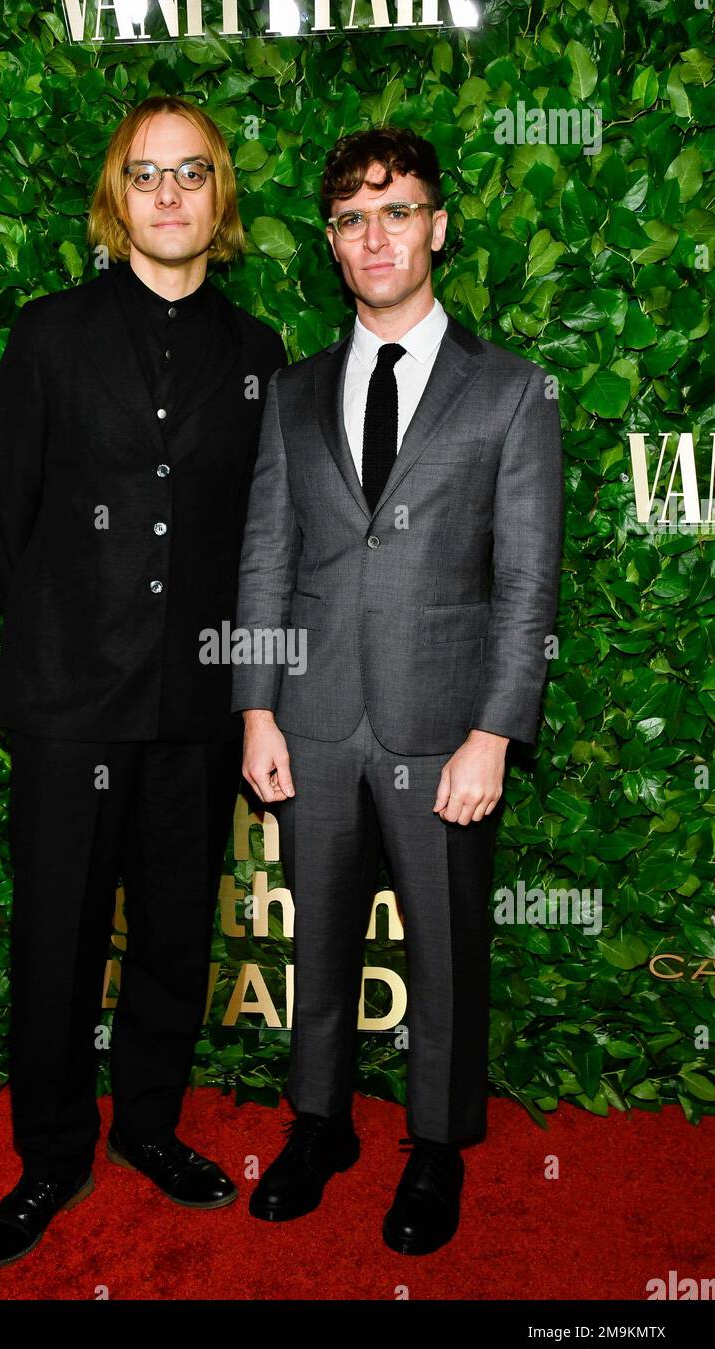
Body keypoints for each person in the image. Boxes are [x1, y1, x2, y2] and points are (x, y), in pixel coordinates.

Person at [0, 95, 287, 1271]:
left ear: (219, 199)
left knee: (171, 936)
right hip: (66, 704)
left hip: (194, 709)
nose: (167, 194)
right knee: (54, 938)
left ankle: (149, 1126)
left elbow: (264, 537)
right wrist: (76, 633)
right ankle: (50, 1153)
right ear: (116, 199)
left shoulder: (257, 357)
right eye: (144, 175)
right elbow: (4, 523)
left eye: (190, 173)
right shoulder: (47, 336)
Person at [233, 126, 564, 1255]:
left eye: (398, 211)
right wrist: (257, 708)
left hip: (443, 728)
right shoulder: (292, 391)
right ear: (333, 242)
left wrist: (494, 735)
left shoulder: (512, 394)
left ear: (435, 226)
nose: (376, 236)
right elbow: (264, 560)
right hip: (313, 720)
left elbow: (527, 584)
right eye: (352, 219)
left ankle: (435, 1147)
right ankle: (319, 1125)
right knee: (316, 939)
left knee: (446, 952)